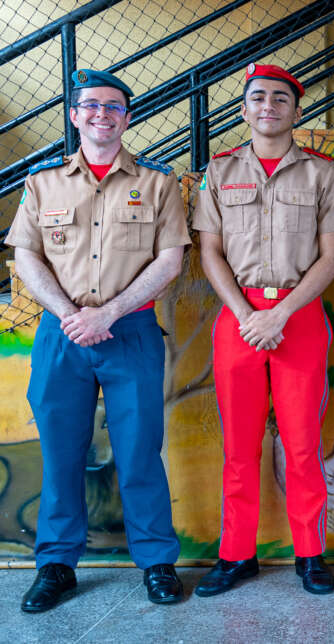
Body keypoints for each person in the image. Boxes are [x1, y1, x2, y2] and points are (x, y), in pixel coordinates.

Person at [6, 69, 188, 612]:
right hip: (62, 335)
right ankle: (56, 565)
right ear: (74, 114)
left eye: (113, 106)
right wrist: (70, 314)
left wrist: (108, 311)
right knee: (61, 453)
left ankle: (157, 563)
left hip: (129, 331)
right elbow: (27, 256)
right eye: (91, 105)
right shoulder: (42, 182)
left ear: (127, 116)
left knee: (139, 454)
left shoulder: (158, 182)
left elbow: (170, 259)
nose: (102, 114)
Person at [192, 63, 334, 596]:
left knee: (301, 444)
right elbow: (209, 253)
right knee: (239, 447)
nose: (268, 106)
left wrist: (279, 314)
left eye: (280, 99)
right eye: (258, 98)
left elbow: (332, 258)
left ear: (297, 111)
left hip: (298, 318)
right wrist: (245, 315)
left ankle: (311, 554)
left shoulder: (322, 173)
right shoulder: (219, 172)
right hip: (237, 318)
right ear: (243, 109)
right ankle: (236, 555)